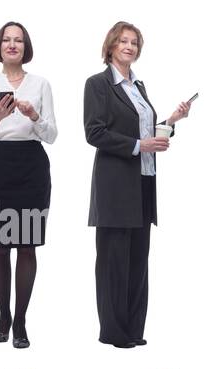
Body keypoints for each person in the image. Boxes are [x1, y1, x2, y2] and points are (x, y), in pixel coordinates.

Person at [84, 21, 192, 349]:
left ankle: (132, 331)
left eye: (134, 43)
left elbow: (148, 131)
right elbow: (95, 132)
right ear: (112, 46)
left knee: (137, 262)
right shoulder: (98, 84)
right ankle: (114, 334)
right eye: (124, 41)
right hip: (115, 187)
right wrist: (139, 145)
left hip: (144, 183)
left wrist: (171, 121)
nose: (130, 47)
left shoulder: (138, 87)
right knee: (114, 263)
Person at [0, 22, 57, 349]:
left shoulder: (41, 84)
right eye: (7, 40)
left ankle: (21, 320)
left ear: (25, 47)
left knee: (27, 245)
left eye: (18, 40)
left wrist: (35, 115)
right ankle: (3, 316)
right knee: (0, 245)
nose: (12, 45)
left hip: (32, 166)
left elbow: (51, 135)